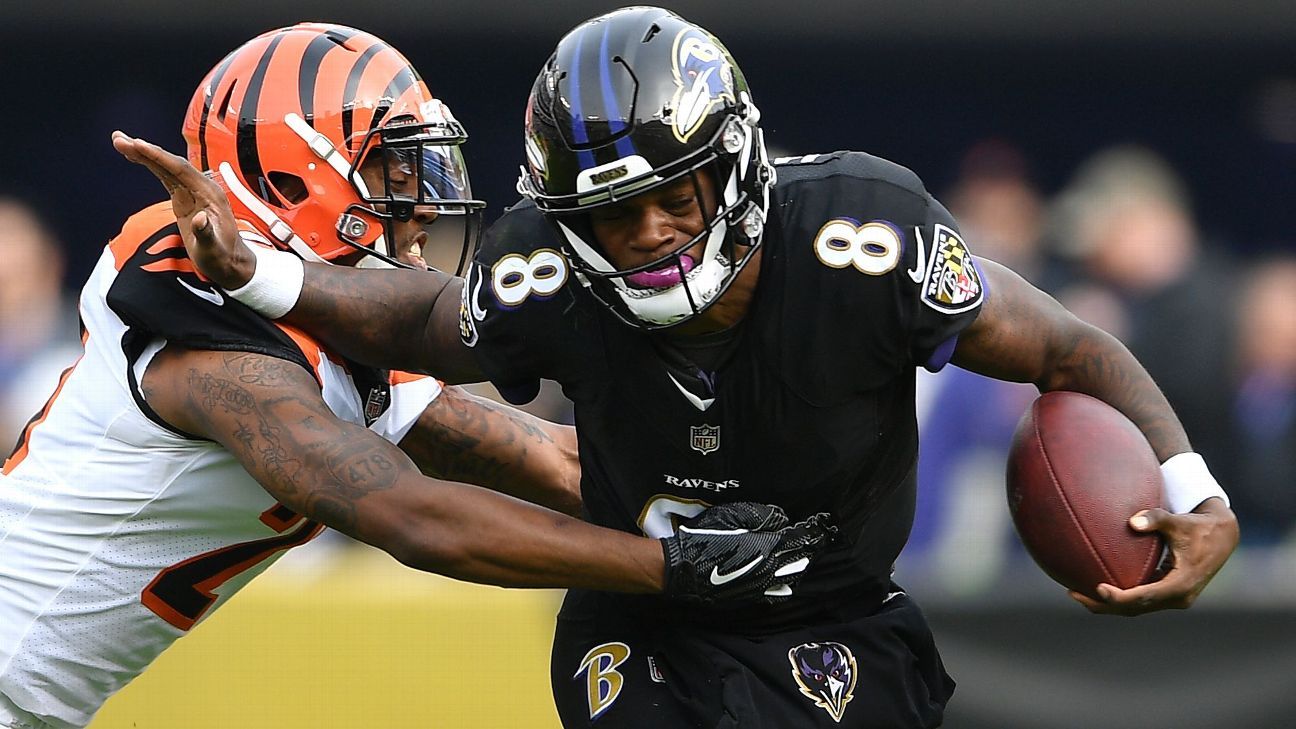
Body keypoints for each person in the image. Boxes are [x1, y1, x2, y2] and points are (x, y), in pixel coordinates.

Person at [150, 8, 1238, 728]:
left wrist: (1190, 482)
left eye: (679, 193)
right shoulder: (542, 270)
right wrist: (260, 278)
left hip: (839, 616)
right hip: (643, 622)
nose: (656, 231)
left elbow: (1068, 348)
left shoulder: (865, 239)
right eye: (615, 214)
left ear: (738, 166)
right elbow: (428, 321)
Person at [0, 23, 835, 729]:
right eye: (392, 172)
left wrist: (758, 498)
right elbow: (410, 515)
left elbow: (559, 463)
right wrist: (668, 565)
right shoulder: (206, 331)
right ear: (293, 176)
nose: (423, 204)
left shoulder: (326, 328)